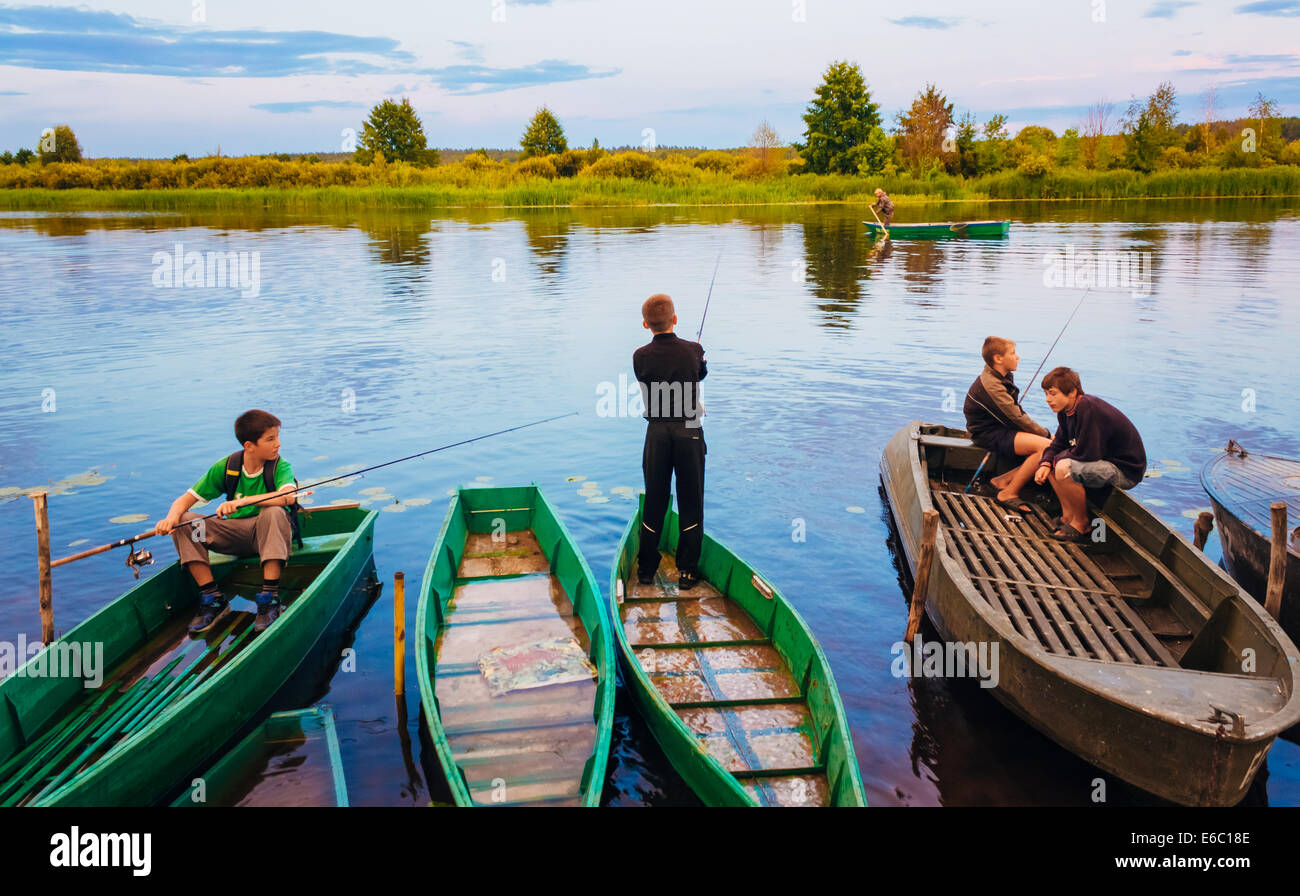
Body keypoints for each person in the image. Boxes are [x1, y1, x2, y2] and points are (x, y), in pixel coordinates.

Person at [155, 409, 303, 634]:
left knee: (274, 512)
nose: (278, 444)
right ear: (249, 445)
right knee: (185, 523)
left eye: (277, 438)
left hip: (267, 535)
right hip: (232, 535)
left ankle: (269, 598)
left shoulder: (280, 466)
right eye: (271, 439)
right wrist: (170, 519)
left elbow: (288, 497)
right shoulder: (227, 467)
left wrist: (245, 502)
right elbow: (185, 500)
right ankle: (212, 598)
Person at [633, 294, 707, 590]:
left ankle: (646, 571)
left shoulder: (640, 356)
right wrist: (699, 357)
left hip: (658, 432)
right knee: (691, 502)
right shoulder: (694, 350)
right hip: (689, 429)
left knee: (655, 499)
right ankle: (687, 573)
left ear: (645, 324)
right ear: (675, 319)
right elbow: (700, 373)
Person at [1034, 367, 1147, 543]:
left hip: (1123, 470)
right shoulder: (1065, 412)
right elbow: (1058, 444)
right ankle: (1068, 517)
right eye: (1046, 394)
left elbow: (1088, 454)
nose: (1048, 399)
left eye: (1053, 394)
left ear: (1071, 392)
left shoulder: (1088, 408)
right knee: (1049, 461)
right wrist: (1045, 463)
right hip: (1100, 461)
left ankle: (1081, 524)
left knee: (1063, 467)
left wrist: (1055, 460)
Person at [963, 336, 1052, 513]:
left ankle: (1002, 480)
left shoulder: (1000, 375)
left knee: (1047, 444)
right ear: (998, 358)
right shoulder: (992, 386)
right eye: (1013, 353)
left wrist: (1042, 433)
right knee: (1046, 448)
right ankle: (1008, 492)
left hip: (1000, 428)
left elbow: (1016, 411)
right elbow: (1017, 418)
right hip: (987, 434)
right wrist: (1047, 435)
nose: (1018, 357)